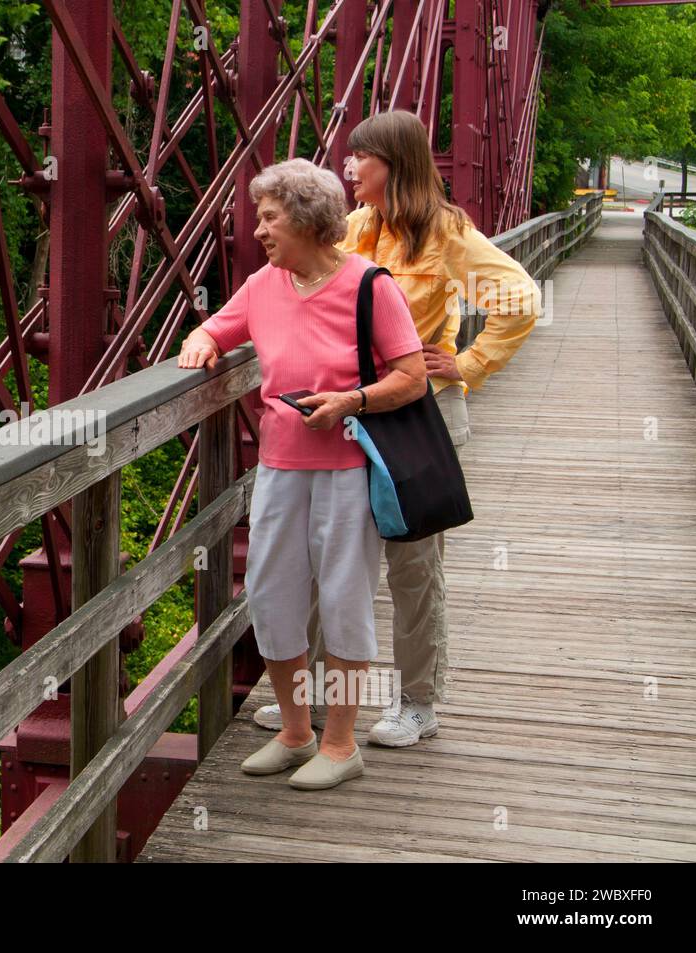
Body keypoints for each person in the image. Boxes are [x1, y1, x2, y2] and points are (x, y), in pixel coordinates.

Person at [253, 110, 542, 745]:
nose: (349, 167)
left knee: (413, 566)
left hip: (417, 415)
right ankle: (323, 698)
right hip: (349, 415)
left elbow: (521, 299)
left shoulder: (448, 234)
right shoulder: (353, 227)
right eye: (349, 157)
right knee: (336, 560)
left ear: (396, 162)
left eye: (362, 157)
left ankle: (418, 702)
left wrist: (467, 363)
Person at [178, 158, 426, 790]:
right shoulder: (263, 286)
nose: (258, 231)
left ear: (311, 220)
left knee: (344, 603)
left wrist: (351, 401)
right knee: (271, 595)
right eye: (258, 218)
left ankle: (341, 744)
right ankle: (295, 733)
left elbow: (412, 376)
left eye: (269, 218)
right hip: (281, 467)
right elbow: (217, 324)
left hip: (347, 469)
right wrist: (204, 339)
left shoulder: (371, 285)